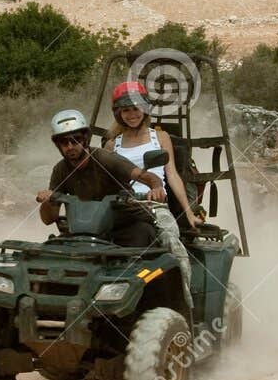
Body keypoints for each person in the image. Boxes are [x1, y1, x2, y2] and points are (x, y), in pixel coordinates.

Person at [36, 110, 193, 311]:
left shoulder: (106, 159)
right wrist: (48, 201)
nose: (70, 146)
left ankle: (181, 306)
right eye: (63, 142)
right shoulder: (60, 170)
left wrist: (156, 188)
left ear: (85, 139)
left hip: (127, 225)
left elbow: (147, 177)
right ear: (58, 145)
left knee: (159, 246)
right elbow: (49, 219)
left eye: (75, 140)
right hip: (86, 234)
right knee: (54, 259)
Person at [104, 81, 200, 310]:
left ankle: (185, 305)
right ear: (118, 113)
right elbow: (106, 182)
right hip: (123, 206)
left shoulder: (160, 137)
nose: (132, 115)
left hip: (155, 205)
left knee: (173, 244)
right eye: (126, 110)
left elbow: (172, 175)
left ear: (145, 108)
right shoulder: (112, 144)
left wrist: (189, 213)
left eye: (136, 108)